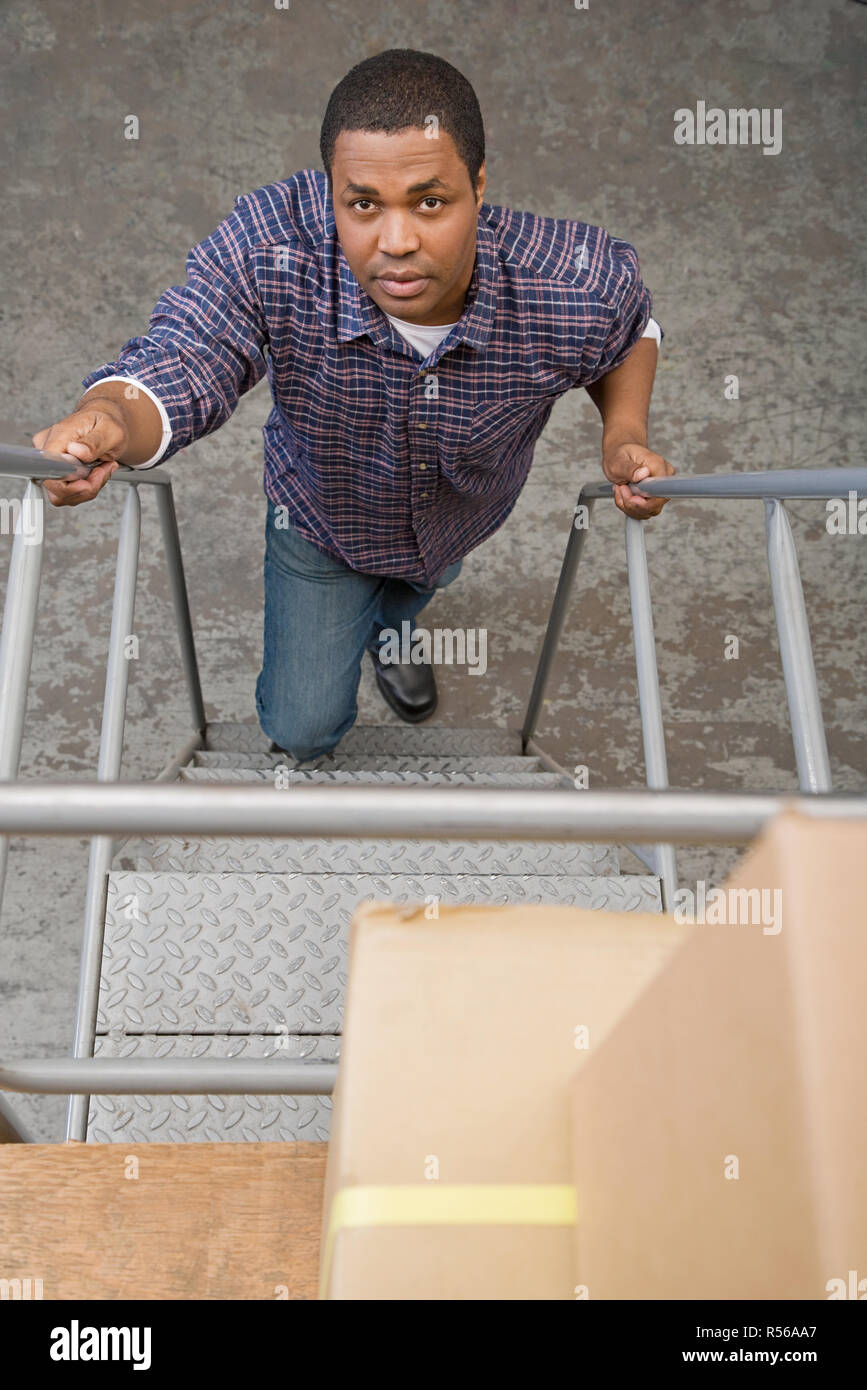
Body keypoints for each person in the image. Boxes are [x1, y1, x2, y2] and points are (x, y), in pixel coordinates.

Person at [33, 48, 674, 761]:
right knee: (300, 728)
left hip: (459, 515)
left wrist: (622, 433)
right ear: (329, 190)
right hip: (320, 523)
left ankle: (390, 633)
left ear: (479, 185)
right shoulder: (271, 247)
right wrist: (112, 418)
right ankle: (362, 638)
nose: (395, 243)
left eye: (430, 202)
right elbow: (188, 350)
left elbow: (628, 332)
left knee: (409, 593)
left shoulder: (571, 277)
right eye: (362, 204)